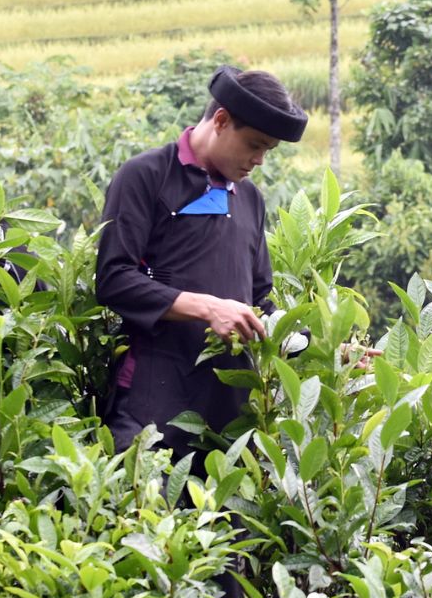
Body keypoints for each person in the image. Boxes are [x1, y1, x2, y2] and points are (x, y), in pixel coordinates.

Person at [95, 65, 307, 458]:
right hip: (152, 410)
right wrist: (208, 307)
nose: (259, 160)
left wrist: (330, 350)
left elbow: (259, 302)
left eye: (268, 151)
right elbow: (114, 279)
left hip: (230, 422)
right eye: (254, 145)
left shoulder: (250, 200)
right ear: (222, 121)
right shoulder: (146, 176)